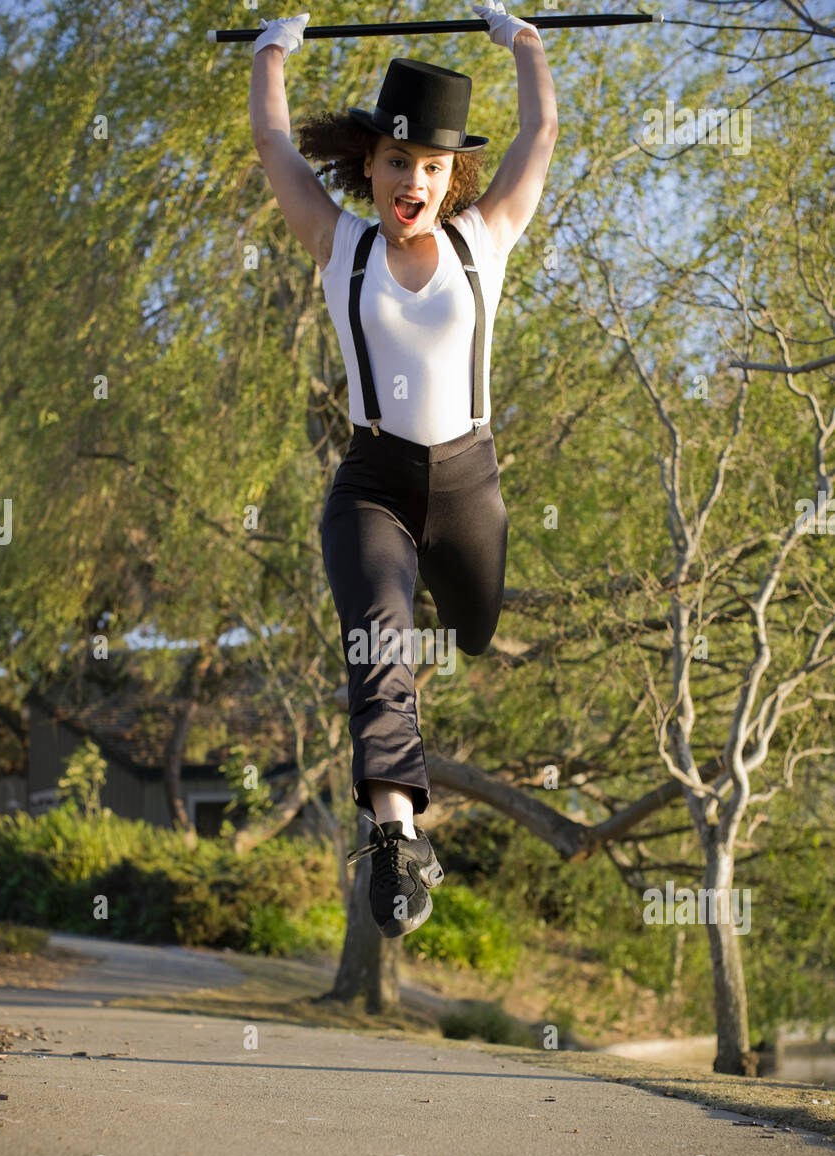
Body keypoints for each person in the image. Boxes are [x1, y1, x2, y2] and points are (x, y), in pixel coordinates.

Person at [249, 2, 558, 937]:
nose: (411, 182)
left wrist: (523, 40)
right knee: (379, 642)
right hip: (373, 485)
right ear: (370, 166)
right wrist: (272, 47)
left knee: (472, 626)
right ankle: (395, 836)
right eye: (395, 163)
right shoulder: (341, 245)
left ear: (452, 176)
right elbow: (272, 142)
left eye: (431, 167)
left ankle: (462, 626)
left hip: (469, 488)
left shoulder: (485, 240)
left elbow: (541, 128)